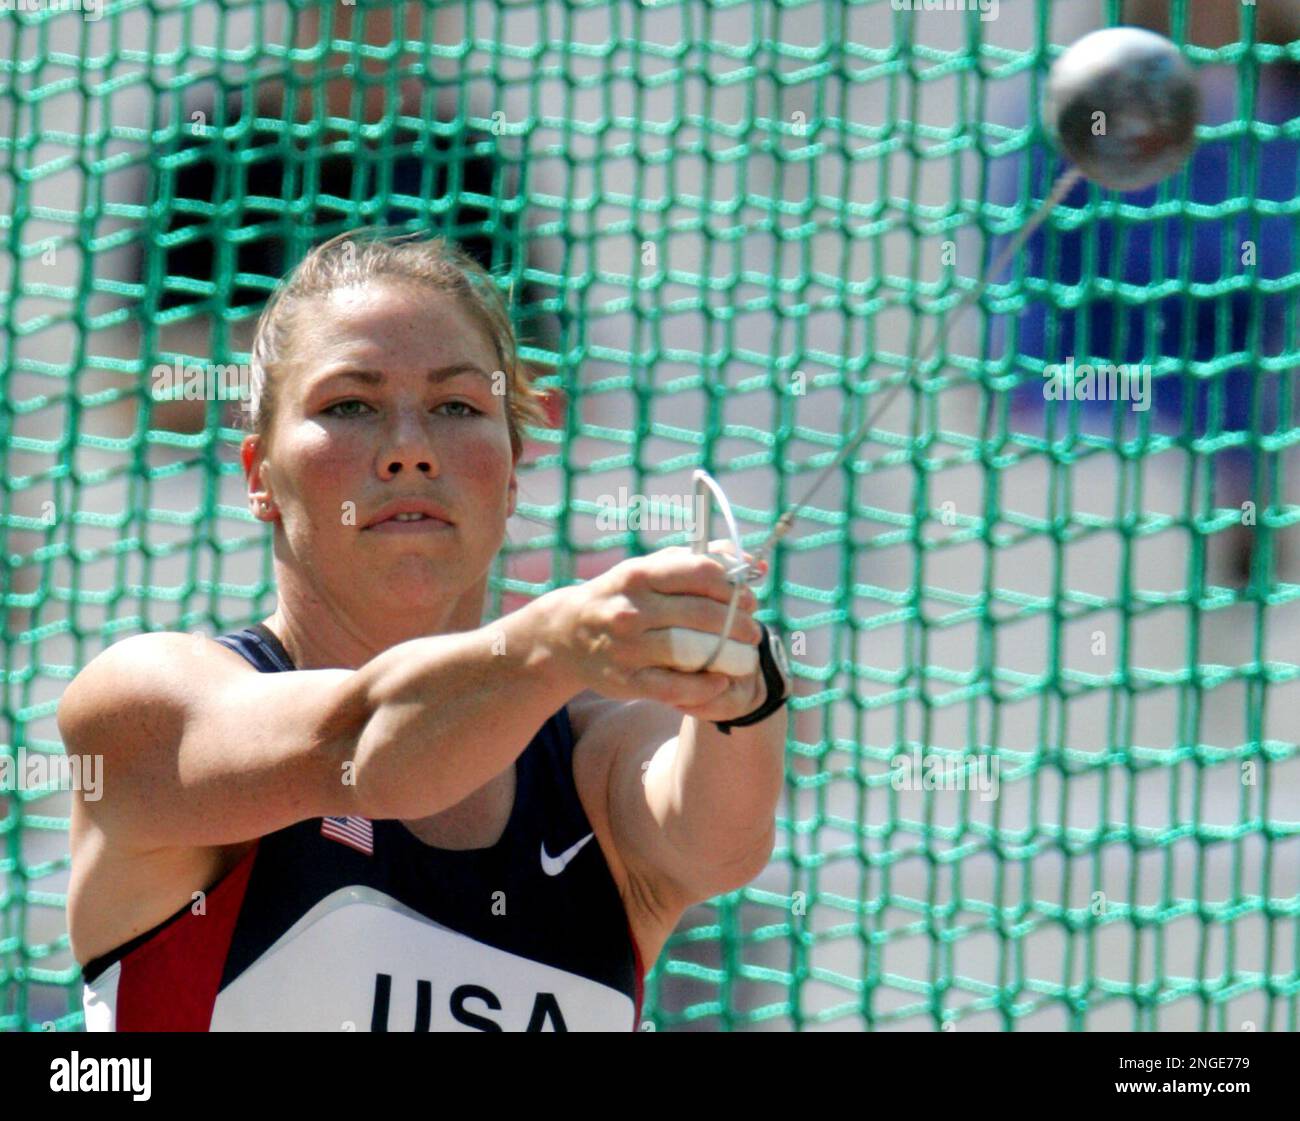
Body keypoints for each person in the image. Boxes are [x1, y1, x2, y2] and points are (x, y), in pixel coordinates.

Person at [58, 231, 789, 1032]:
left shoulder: (591, 761)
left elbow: (721, 843)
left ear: (512, 471)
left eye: (456, 406)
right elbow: (361, 749)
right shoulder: (143, 705)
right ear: (258, 475)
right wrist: (554, 640)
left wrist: (741, 687)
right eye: (350, 405)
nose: (410, 449)